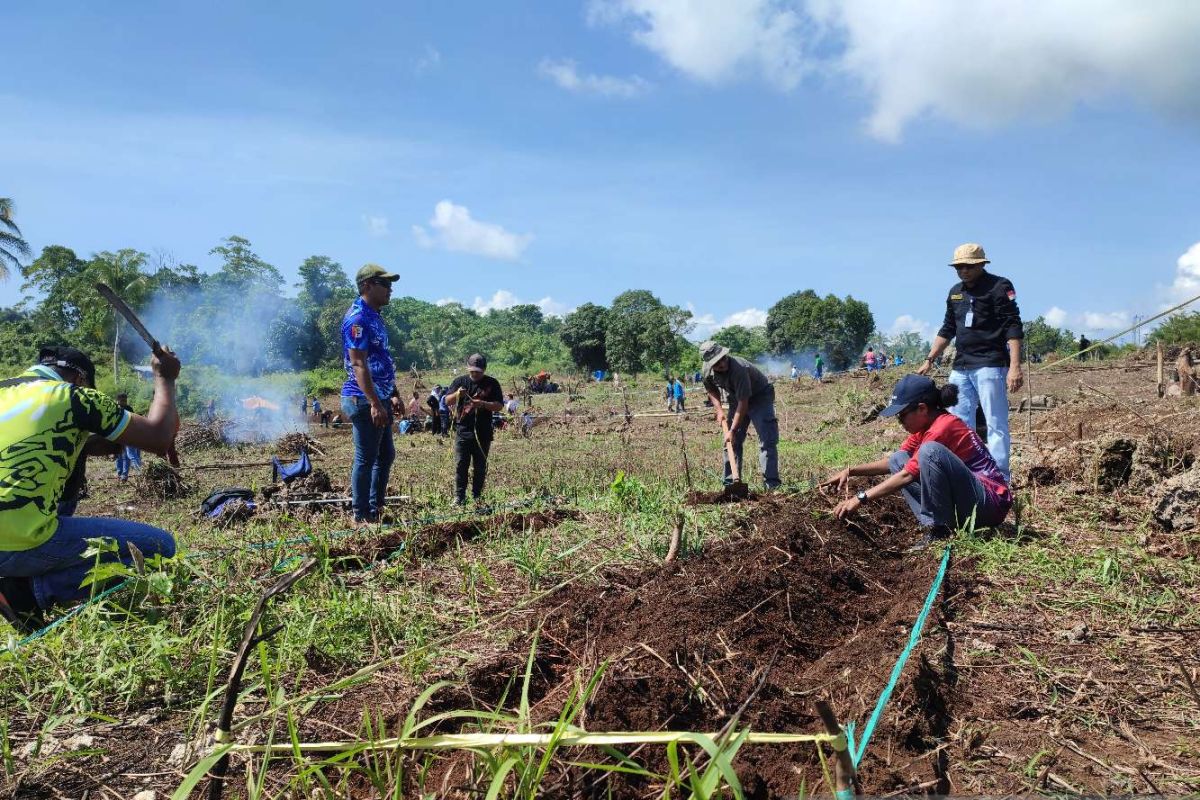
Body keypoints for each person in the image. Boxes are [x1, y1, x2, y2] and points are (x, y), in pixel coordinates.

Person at [0, 346, 180, 631]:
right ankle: (29, 589)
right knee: (160, 546)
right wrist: (165, 378)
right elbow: (160, 437)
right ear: (80, 379)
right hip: (11, 545)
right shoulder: (74, 398)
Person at [821, 374, 1012, 551]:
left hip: (990, 504)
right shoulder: (925, 428)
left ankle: (939, 530)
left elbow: (907, 475)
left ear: (922, 408)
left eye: (902, 415)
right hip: (971, 501)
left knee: (930, 452)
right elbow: (893, 463)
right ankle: (937, 525)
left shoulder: (943, 427)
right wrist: (850, 471)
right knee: (898, 459)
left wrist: (860, 498)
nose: (900, 422)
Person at [916, 243, 1023, 480]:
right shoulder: (955, 292)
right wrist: (930, 359)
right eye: (959, 267)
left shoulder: (999, 286)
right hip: (961, 367)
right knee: (959, 422)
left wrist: (1015, 367)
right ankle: (966, 473)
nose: (963, 271)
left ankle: (999, 477)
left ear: (981, 264)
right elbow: (948, 328)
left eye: (968, 266)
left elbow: (1013, 326)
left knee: (995, 421)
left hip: (990, 365)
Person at [340, 263, 403, 523]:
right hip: (365, 399)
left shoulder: (375, 316)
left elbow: (383, 360)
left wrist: (393, 394)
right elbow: (358, 364)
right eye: (385, 284)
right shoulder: (358, 320)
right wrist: (375, 403)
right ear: (367, 285)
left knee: (385, 455)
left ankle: (376, 507)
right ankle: (361, 515)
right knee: (366, 458)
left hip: (380, 397)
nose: (390, 290)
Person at [700, 341, 781, 490]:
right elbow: (711, 390)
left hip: (760, 397)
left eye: (723, 359)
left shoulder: (739, 369)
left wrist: (732, 430)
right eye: (716, 363)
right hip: (735, 399)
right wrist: (718, 409)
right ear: (710, 364)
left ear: (725, 355)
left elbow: (744, 404)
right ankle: (731, 484)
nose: (722, 364)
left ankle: (772, 486)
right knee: (730, 442)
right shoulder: (706, 370)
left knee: (767, 440)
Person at [443, 354, 505, 506]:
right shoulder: (460, 382)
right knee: (460, 465)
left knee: (480, 467)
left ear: (484, 369)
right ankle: (459, 497)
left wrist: (483, 404)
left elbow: (499, 405)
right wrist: (458, 394)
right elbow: (446, 400)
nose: (475, 374)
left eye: (478, 371)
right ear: (468, 368)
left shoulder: (492, 383)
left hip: (483, 433)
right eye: (472, 371)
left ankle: (477, 497)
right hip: (463, 432)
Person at [113, 392, 142, 481]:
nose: (124, 402)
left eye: (125, 400)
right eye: (122, 400)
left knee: (126, 455)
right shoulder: (114, 409)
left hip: (127, 435)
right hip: (117, 435)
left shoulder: (129, 409)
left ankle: (125, 475)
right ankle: (120, 473)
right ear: (117, 400)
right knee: (118, 455)